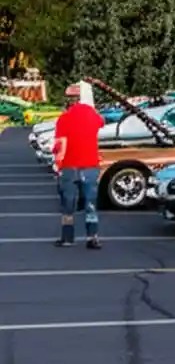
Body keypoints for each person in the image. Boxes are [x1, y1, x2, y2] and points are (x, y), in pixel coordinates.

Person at [52, 85, 105, 249]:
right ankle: (92, 237)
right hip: (90, 165)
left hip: (69, 166)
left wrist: (57, 163)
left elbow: (59, 145)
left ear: (69, 100)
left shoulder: (63, 118)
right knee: (90, 203)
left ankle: (67, 238)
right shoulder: (93, 116)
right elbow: (102, 123)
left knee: (68, 204)